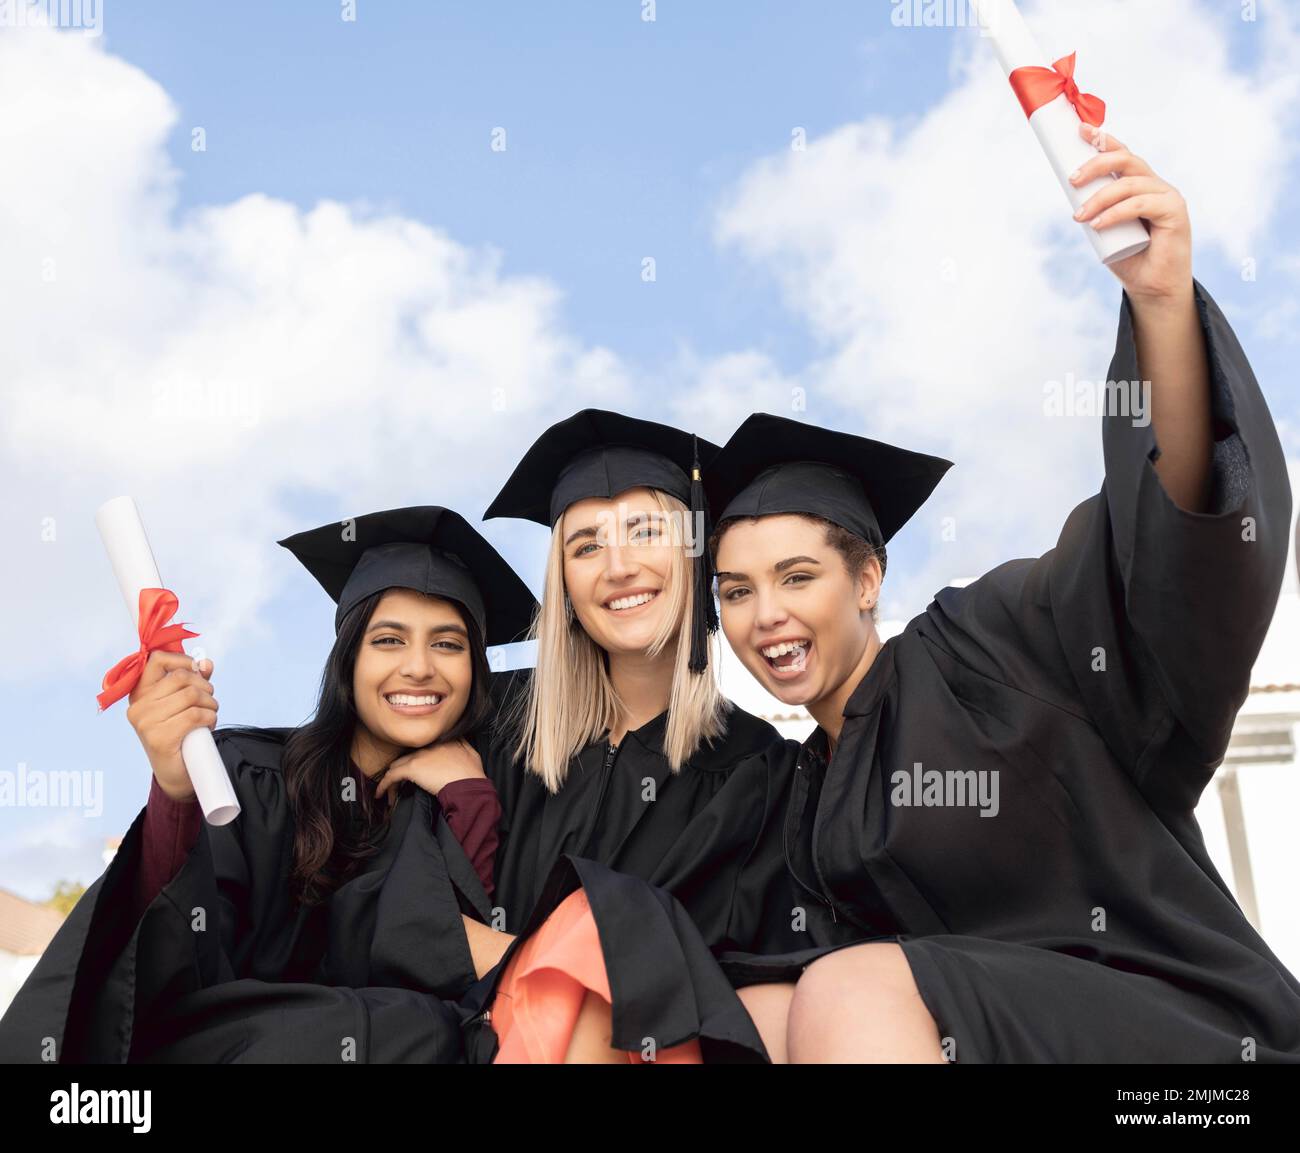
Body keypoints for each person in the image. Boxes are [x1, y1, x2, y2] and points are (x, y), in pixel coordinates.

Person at [702, 129, 1300, 1063]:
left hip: (1189, 1056)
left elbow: (1163, 556)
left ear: (868, 579)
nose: (763, 613)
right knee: (762, 1015)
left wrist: (1161, 307)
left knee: (845, 989)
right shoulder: (801, 806)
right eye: (734, 591)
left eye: (797, 576)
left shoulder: (989, 645)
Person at [0, 505, 535, 1063]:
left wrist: (467, 798)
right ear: (348, 661)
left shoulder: (461, 799)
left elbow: (457, 978)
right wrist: (176, 791)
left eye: (448, 644)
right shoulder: (251, 774)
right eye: (389, 640)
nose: (420, 667)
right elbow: (168, 957)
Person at [394, 410, 805, 1063]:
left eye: (644, 531)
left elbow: (742, 978)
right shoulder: (494, 716)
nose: (617, 566)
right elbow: (397, 907)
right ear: (565, 584)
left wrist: (559, 961)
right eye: (585, 545)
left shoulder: (762, 770)